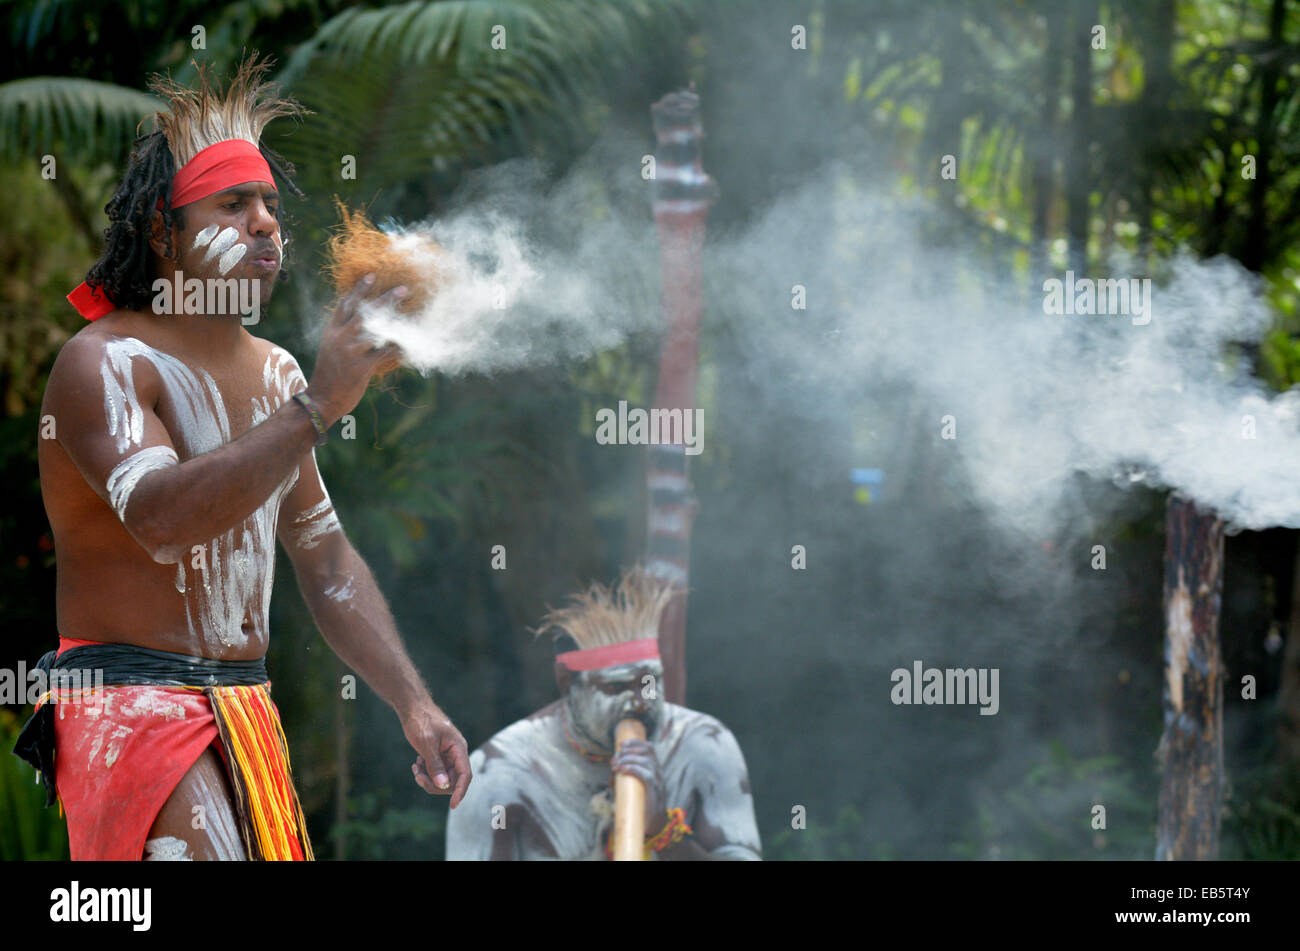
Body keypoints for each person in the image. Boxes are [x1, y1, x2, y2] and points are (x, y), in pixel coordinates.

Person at [14, 53, 470, 861]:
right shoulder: (105, 363)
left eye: (268, 203)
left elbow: (325, 561)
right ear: (163, 232)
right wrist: (321, 407)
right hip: (131, 701)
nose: (265, 222)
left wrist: (414, 703)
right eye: (232, 204)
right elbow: (161, 518)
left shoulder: (277, 375)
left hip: (246, 713)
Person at [445, 568, 760, 860]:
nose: (640, 702)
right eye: (616, 688)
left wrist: (662, 831)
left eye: (649, 683)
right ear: (567, 683)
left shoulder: (704, 745)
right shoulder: (498, 776)